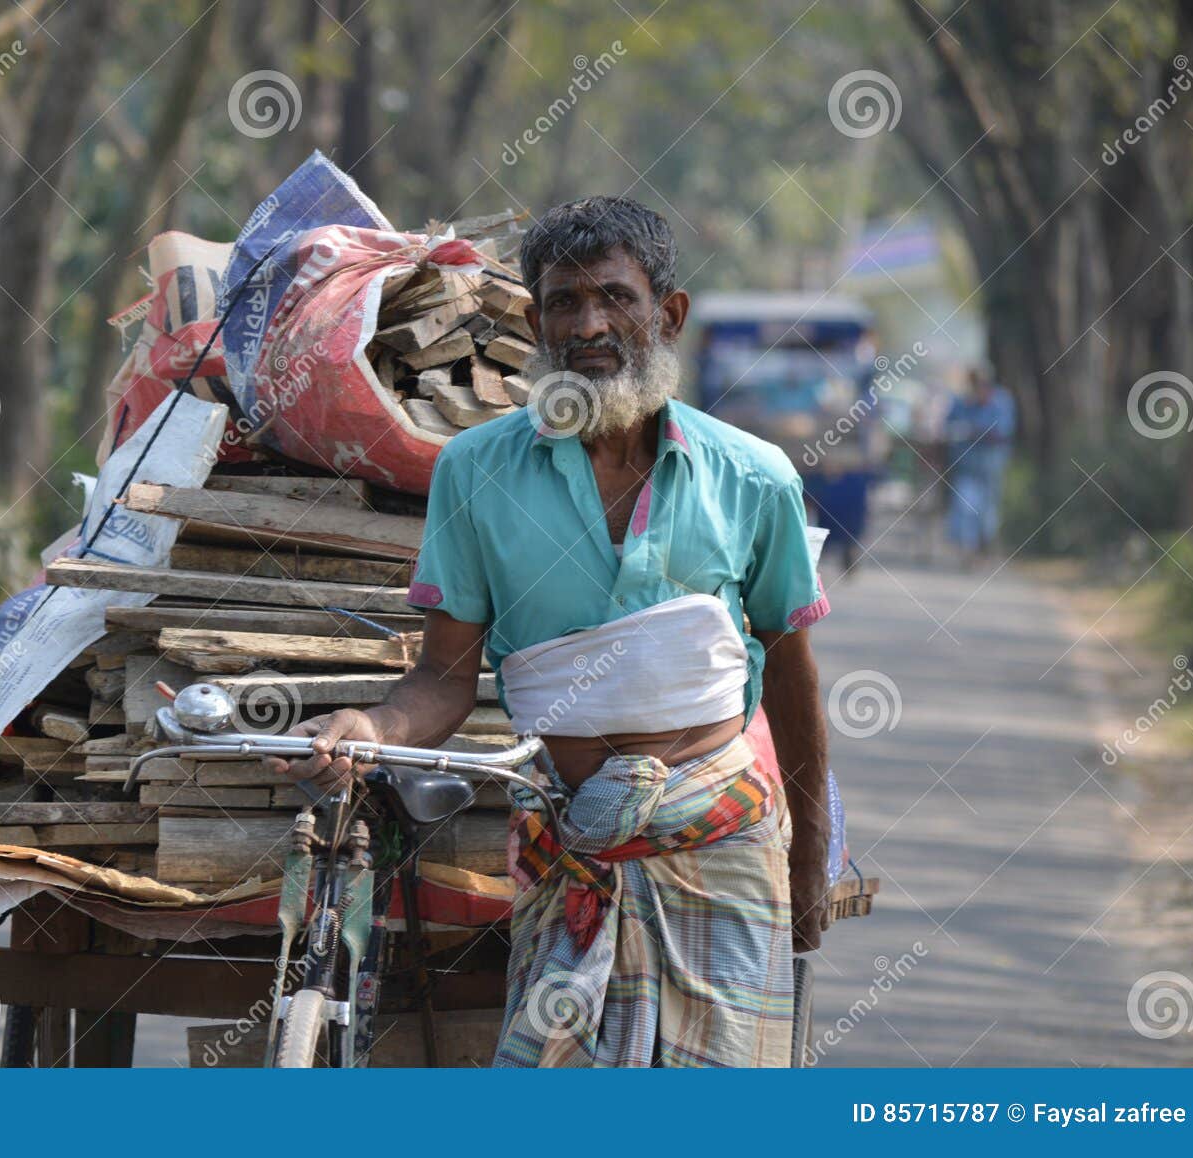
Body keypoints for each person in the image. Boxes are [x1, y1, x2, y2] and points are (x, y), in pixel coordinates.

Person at [265, 196, 831, 1068]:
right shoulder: (476, 470)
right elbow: (445, 677)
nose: (590, 323)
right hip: (569, 842)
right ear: (535, 322)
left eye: (615, 297)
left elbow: (790, 671)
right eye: (564, 302)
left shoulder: (753, 477)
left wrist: (811, 861)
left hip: (720, 843)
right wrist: (371, 730)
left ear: (667, 314)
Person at [944, 366, 1017, 562]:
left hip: (992, 467)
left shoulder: (1001, 402)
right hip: (966, 467)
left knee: (988, 513)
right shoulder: (962, 403)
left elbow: (1003, 432)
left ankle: (984, 546)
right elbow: (948, 427)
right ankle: (968, 550)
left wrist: (976, 431)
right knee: (964, 508)